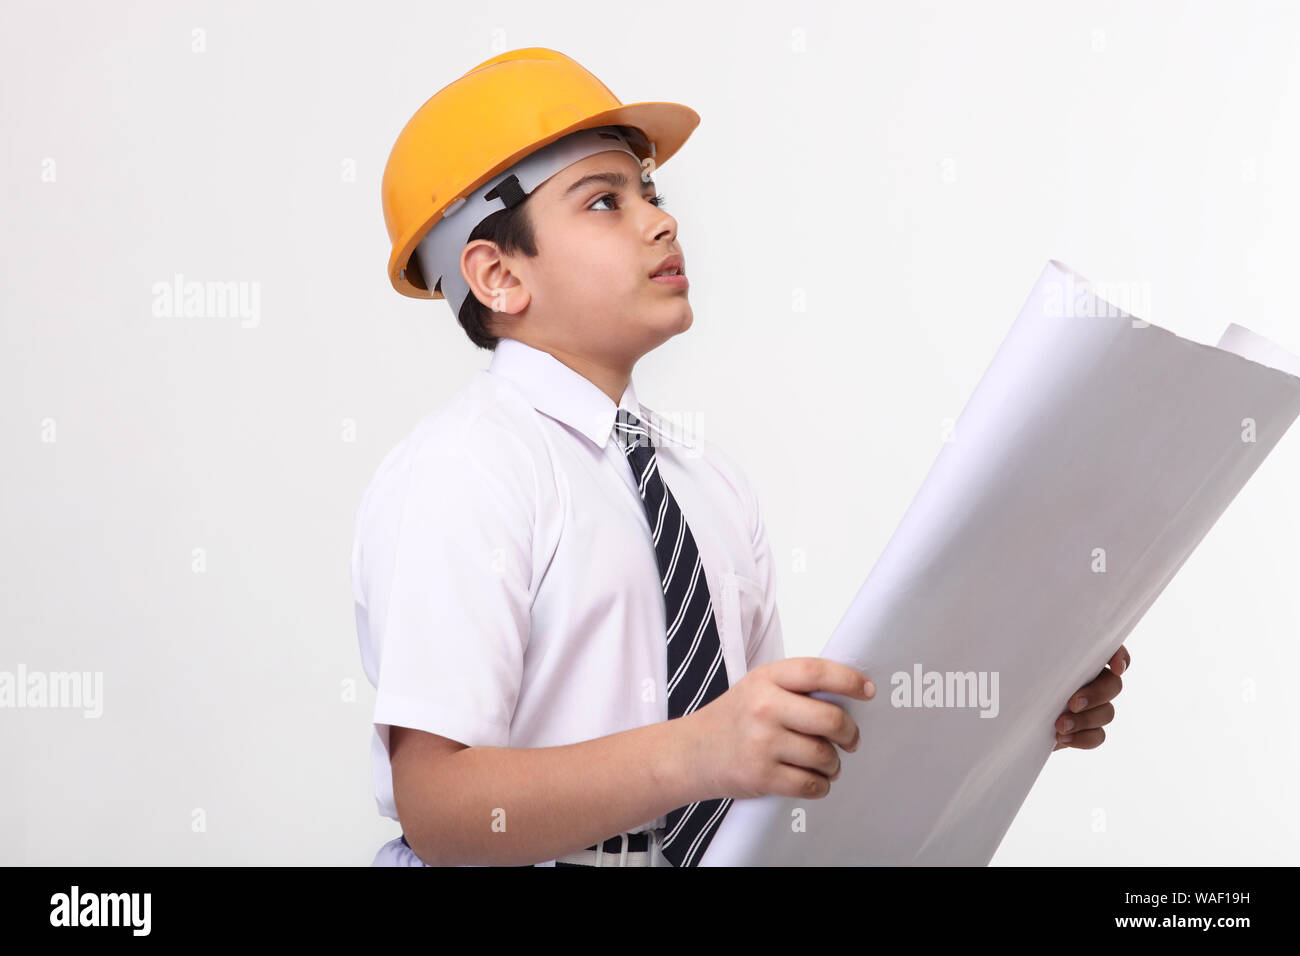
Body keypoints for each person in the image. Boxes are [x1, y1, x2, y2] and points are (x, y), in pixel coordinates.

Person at [353, 47, 1129, 868]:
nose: (662, 219)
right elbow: (437, 808)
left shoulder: (703, 481)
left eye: (648, 192)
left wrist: (1009, 713)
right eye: (605, 202)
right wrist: (695, 753)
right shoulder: (466, 470)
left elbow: (762, 770)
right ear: (498, 275)